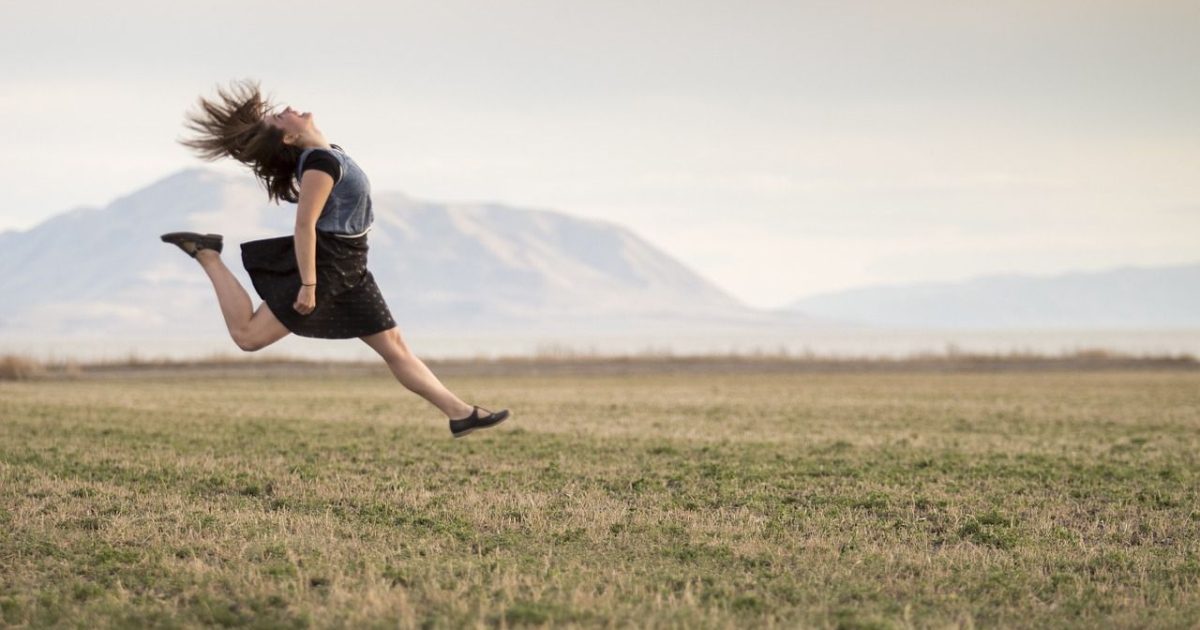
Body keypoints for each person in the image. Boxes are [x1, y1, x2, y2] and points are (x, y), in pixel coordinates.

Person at [163, 78, 509, 439]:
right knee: (248, 336)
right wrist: (309, 284)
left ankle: (461, 414)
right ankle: (208, 255)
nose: (287, 110)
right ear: (288, 138)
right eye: (281, 118)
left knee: (394, 346)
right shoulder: (321, 164)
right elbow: (304, 225)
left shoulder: (329, 154)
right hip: (328, 265)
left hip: (351, 264)